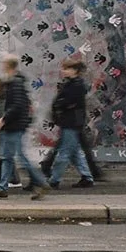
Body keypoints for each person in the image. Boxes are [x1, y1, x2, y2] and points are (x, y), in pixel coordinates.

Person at [0, 54, 50, 199]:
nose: (2, 66)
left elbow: (18, 105)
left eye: (3, 63)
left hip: (14, 126)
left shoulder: (16, 83)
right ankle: (2, 187)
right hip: (11, 126)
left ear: (8, 65)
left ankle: (41, 182)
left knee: (19, 157)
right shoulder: (12, 82)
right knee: (7, 157)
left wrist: (3, 119)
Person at [47, 59, 95, 189]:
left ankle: (54, 180)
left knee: (64, 153)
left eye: (66, 68)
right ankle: (87, 177)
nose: (63, 71)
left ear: (74, 70)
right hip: (71, 122)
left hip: (71, 122)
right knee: (74, 152)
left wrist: (59, 105)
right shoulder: (72, 84)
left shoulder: (76, 86)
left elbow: (69, 102)